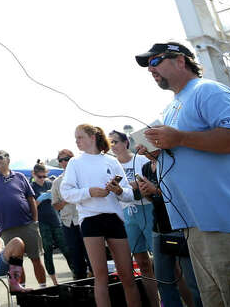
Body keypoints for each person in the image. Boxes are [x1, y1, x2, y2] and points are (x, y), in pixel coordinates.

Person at [136, 40, 230, 306]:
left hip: (229, 222)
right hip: (197, 226)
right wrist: (162, 152)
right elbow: (191, 147)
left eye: (155, 61)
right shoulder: (174, 105)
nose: (150, 69)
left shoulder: (208, 91)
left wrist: (179, 138)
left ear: (180, 61)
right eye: (148, 65)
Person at [60, 124, 141, 307]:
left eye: (80, 137)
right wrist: (90, 192)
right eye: (76, 138)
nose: (77, 141)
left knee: (128, 274)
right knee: (100, 275)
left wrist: (118, 190)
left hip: (114, 218)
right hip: (90, 219)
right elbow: (67, 193)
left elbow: (128, 194)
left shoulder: (112, 161)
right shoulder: (75, 162)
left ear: (92, 137)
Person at [136, 158, 204, 307]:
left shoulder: (172, 162)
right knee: (163, 282)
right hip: (159, 229)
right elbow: (153, 199)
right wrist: (146, 192)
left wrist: (155, 190)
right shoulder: (146, 167)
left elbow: (180, 193)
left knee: (193, 282)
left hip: (180, 227)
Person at [0, 150, 47, 287]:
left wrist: (35, 221)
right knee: (16, 262)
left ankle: (43, 287)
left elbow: (31, 199)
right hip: (7, 229)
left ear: (8, 160)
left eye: (1, 157)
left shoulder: (20, 176)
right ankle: (22, 290)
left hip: (28, 225)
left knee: (36, 259)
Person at [108, 130, 159, 307]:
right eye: (110, 143)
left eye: (115, 142)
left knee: (162, 261)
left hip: (149, 209)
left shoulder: (141, 159)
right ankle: (154, 302)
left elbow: (148, 183)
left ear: (125, 143)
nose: (112, 146)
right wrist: (131, 187)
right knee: (143, 264)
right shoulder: (111, 164)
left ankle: (171, 299)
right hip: (127, 215)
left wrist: (128, 187)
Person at [49, 149, 89, 280]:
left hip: (84, 219)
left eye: (66, 159)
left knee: (92, 256)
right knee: (76, 258)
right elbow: (55, 204)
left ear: (72, 159)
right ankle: (82, 286)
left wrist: (74, 197)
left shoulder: (82, 175)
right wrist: (67, 200)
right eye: (60, 160)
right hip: (68, 223)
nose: (63, 162)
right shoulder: (57, 182)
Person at [29, 162, 68, 286]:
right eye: (39, 177)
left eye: (44, 176)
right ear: (33, 174)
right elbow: (30, 208)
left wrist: (55, 197)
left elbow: (60, 201)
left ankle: (76, 274)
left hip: (55, 220)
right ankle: (55, 282)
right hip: (41, 223)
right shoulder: (31, 187)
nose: (42, 179)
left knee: (66, 249)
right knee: (48, 252)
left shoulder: (50, 184)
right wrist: (39, 200)